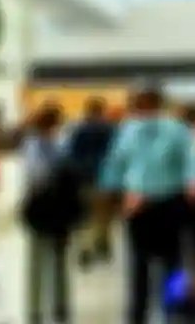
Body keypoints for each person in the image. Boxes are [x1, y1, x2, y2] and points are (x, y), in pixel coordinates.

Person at [101, 87, 195, 324]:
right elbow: (115, 164)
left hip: (166, 202)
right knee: (144, 265)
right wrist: (116, 195)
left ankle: (173, 312)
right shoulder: (128, 130)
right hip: (141, 205)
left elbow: (192, 160)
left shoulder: (176, 129)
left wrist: (193, 183)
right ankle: (141, 314)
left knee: (171, 264)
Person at [22, 105, 80, 324]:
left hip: (40, 210)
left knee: (38, 263)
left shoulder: (32, 146)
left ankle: (37, 309)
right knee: (58, 262)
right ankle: (59, 307)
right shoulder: (61, 146)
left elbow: (33, 178)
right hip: (56, 211)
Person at [66, 96, 116, 267]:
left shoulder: (79, 129)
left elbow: (71, 155)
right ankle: (102, 245)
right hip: (106, 179)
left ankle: (86, 248)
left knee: (85, 217)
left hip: (84, 179)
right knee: (103, 217)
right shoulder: (110, 129)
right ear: (101, 110)